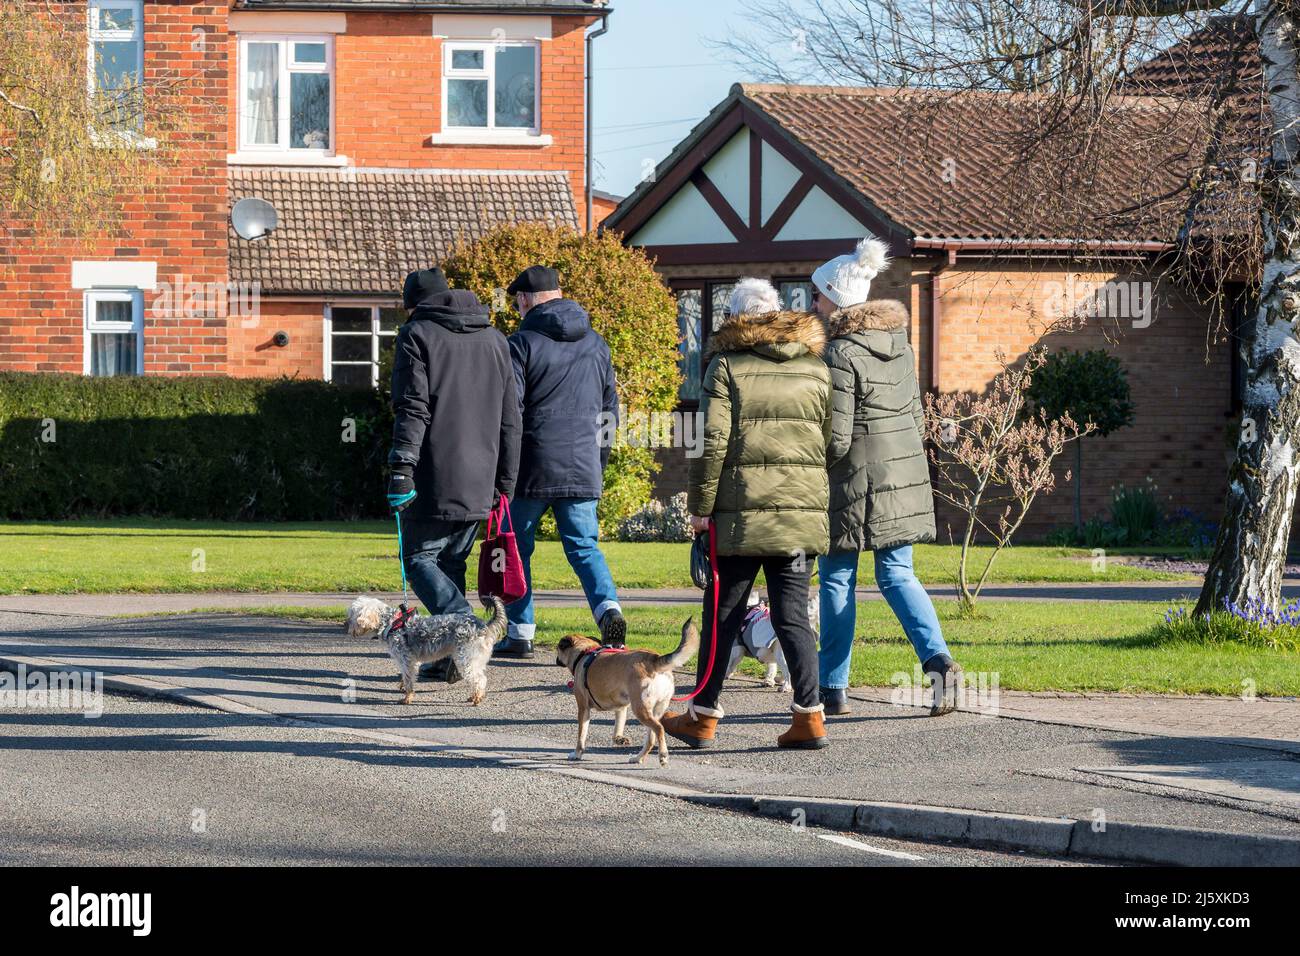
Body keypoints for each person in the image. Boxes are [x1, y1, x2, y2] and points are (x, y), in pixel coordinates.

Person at [662, 278, 833, 750]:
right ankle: (810, 716)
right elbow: (835, 442)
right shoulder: (816, 368)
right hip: (799, 518)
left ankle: (702, 716)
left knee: (724, 614)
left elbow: (709, 443)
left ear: (736, 317)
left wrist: (700, 509)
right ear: (778, 312)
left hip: (739, 518)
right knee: (793, 617)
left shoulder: (724, 367)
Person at [811, 238, 963, 716]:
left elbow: (836, 435)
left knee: (837, 578)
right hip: (904, 478)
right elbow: (917, 419)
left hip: (852, 481)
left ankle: (831, 687)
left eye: (818, 295)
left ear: (837, 298)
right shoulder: (901, 346)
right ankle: (938, 661)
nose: (813, 303)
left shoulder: (838, 353)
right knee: (898, 574)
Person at [387, 267, 521, 680]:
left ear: (414, 306)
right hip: (482, 476)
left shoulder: (417, 336)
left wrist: (401, 467)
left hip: (434, 472)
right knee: (451, 562)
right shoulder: (496, 339)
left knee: (417, 559)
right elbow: (510, 417)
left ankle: (463, 625)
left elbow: (413, 407)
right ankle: (450, 659)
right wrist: (506, 481)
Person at [495, 265, 625, 659]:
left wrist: (504, 470)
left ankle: (520, 631)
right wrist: (597, 461)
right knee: (584, 547)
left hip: (531, 467)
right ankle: (609, 611)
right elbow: (610, 411)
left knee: (517, 549)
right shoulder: (596, 343)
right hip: (582, 464)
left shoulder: (521, 343)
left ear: (523, 299)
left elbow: (510, 412)